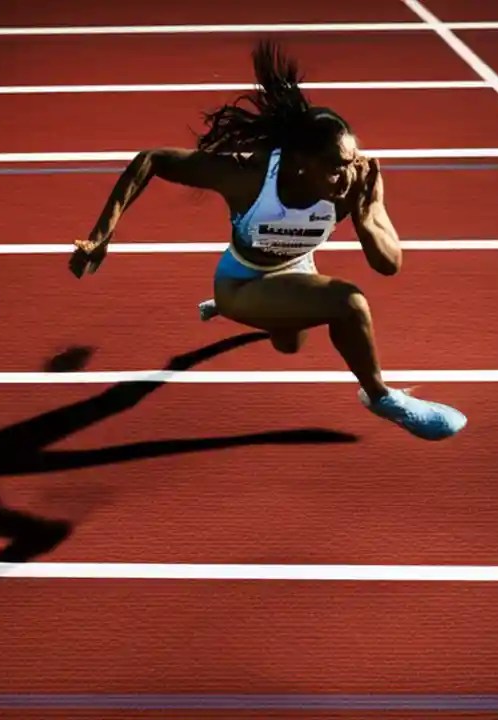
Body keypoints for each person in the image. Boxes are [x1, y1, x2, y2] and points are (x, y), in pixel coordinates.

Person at [68, 40, 466, 441]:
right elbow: (152, 160)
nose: (346, 176)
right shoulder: (249, 179)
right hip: (242, 280)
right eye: (334, 168)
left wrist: (365, 217)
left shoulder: (356, 182)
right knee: (349, 304)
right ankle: (381, 397)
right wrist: (102, 236)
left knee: (289, 343)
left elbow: (389, 264)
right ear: (300, 163)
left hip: (296, 268)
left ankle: (271, 313)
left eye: (350, 162)